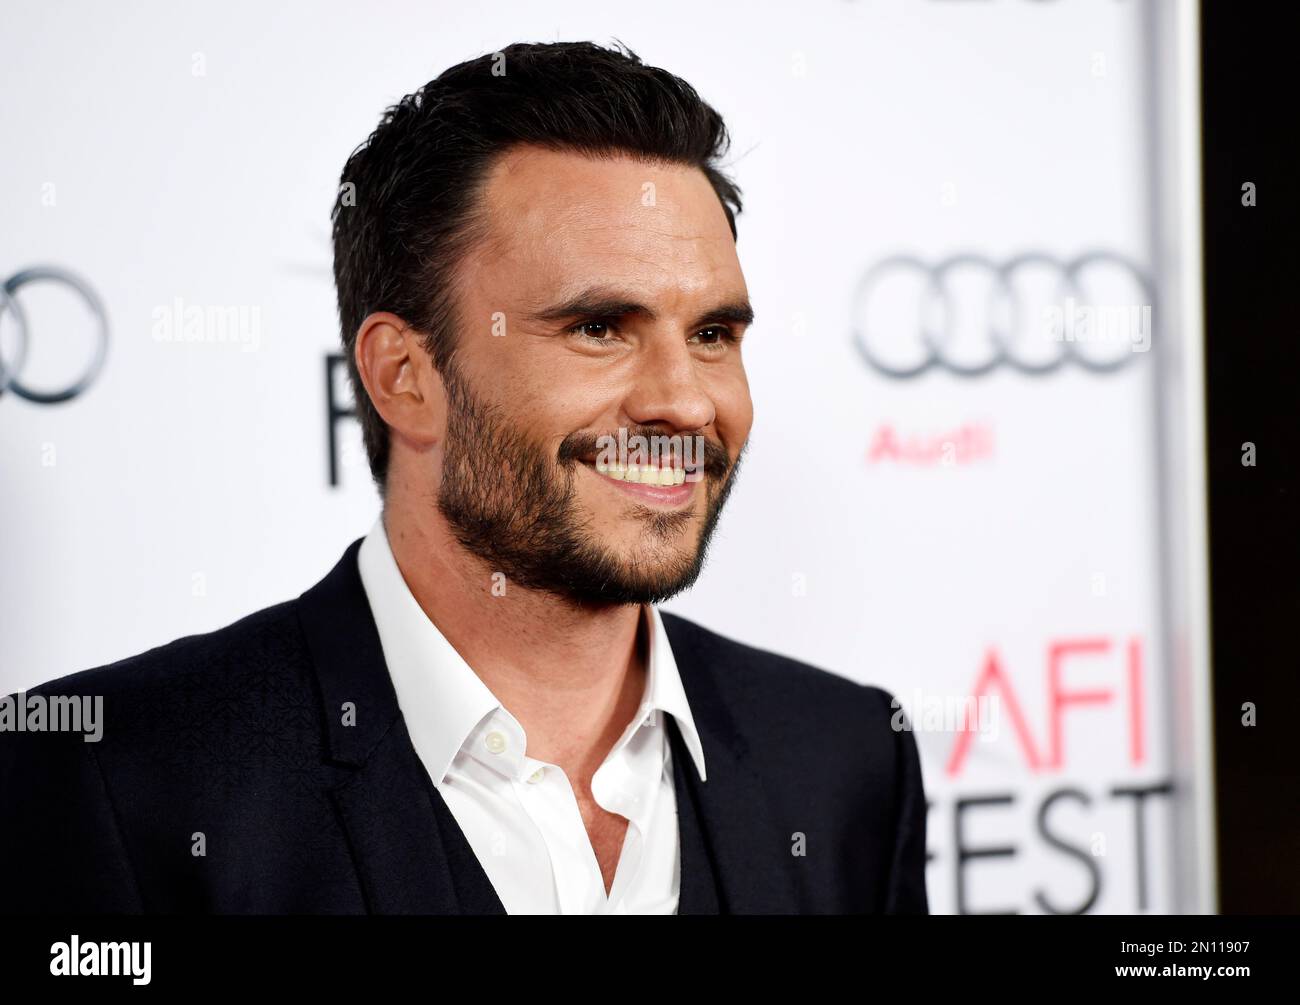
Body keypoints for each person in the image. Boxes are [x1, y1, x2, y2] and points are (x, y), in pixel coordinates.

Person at [0, 40, 927, 914]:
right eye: (599, 327)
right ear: (405, 375)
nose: (685, 403)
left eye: (713, 334)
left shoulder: (844, 759)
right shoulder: (112, 776)